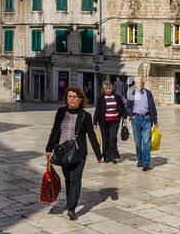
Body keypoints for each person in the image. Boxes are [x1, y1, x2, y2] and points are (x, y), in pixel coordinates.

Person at [45, 86, 102, 220]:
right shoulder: (61, 112)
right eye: (69, 96)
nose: (71, 99)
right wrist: (49, 149)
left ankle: (71, 208)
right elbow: (55, 131)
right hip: (63, 151)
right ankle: (70, 201)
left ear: (80, 99)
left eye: (74, 97)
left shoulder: (85, 116)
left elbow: (92, 135)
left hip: (79, 152)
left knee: (76, 179)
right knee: (68, 179)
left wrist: (98, 153)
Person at [128, 75, 158, 170]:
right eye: (137, 82)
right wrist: (131, 115)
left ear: (143, 84)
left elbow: (152, 106)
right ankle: (140, 160)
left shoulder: (148, 93)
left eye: (141, 82)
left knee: (146, 141)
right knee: (137, 142)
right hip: (136, 119)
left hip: (146, 118)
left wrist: (155, 120)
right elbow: (127, 107)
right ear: (135, 84)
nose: (139, 84)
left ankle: (146, 162)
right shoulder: (131, 93)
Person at [93, 80, 125, 163]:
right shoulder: (101, 98)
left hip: (114, 121)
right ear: (104, 89)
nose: (109, 90)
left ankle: (113, 155)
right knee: (105, 139)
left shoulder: (117, 97)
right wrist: (95, 122)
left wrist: (123, 115)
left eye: (110, 88)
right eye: (107, 89)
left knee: (112, 138)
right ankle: (106, 156)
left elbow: (122, 107)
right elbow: (97, 111)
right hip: (104, 122)